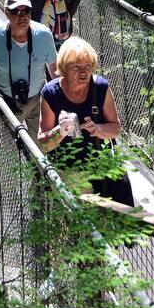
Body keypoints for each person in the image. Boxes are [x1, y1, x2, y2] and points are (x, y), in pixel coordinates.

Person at [36, 37, 134, 206]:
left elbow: (116, 129)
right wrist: (61, 130)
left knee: (120, 220)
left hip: (102, 167)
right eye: (76, 67)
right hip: (68, 169)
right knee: (86, 224)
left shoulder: (101, 87)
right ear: (64, 68)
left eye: (87, 66)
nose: (83, 72)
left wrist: (98, 129)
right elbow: (44, 144)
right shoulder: (51, 93)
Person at [0, 0, 57, 140]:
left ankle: (37, 164)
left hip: (37, 99)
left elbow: (55, 68)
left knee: (41, 145)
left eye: (26, 11)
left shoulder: (44, 35)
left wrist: (62, 97)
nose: (22, 16)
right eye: (16, 12)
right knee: (8, 145)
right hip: (7, 101)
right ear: (7, 13)